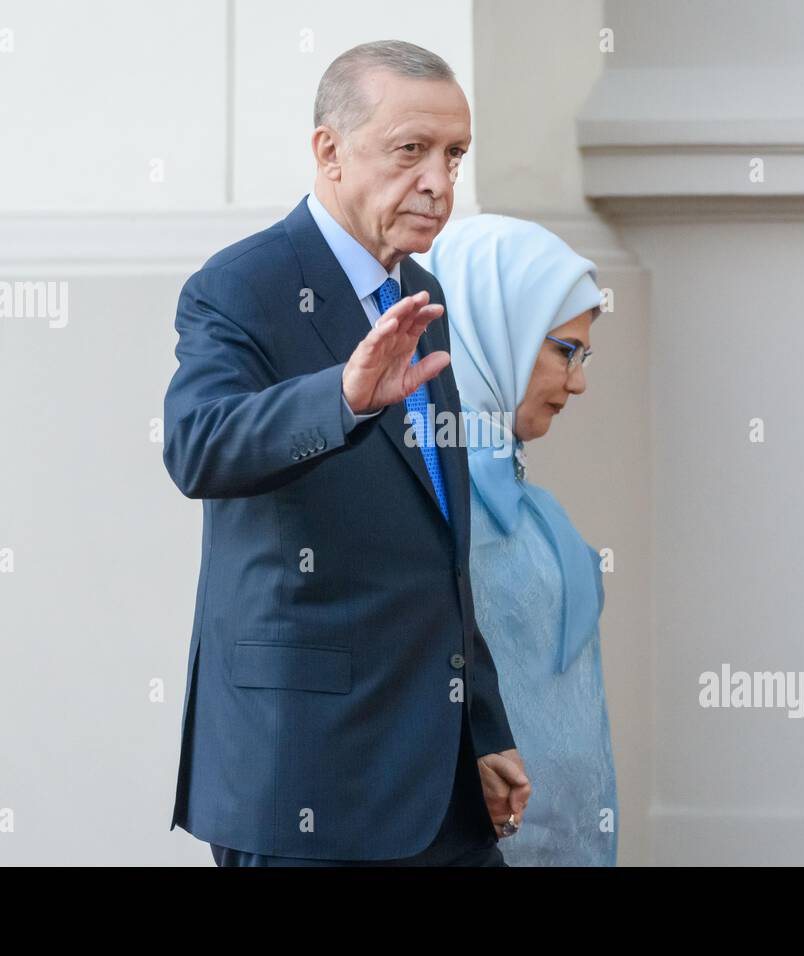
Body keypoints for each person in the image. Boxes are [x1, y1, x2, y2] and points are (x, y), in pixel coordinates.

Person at [160, 41, 531, 866]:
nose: (439, 181)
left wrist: (483, 726)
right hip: (310, 778)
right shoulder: (240, 285)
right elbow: (198, 447)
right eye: (411, 151)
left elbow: (438, 545)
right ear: (328, 149)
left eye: (454, 154)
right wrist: (342, 398)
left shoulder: (419, 291)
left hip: (441, 783)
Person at [416, 214, 618, 865]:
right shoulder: (420, 495)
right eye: (564, 350)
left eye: (583, 356)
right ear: (491, 327)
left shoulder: (532, 509)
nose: (579, 381)